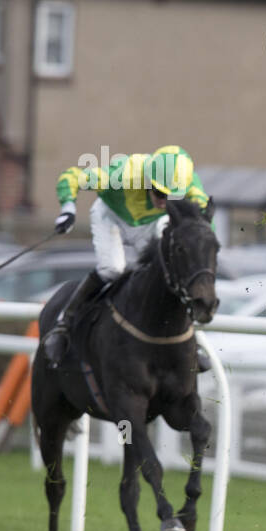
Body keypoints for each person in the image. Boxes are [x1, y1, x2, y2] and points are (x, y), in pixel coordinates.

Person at [41, 145, 211, 368]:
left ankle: (190, 341)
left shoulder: (189, 182)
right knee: (113, 269)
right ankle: (64, 325)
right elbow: (71, 176)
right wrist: (68, 208)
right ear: (147, 181)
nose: (164, 201)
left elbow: (203, 223)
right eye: (159, 192)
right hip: (111, 217)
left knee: (164, 270)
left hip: (148, 223)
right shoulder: (123, 174)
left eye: (172, 195)